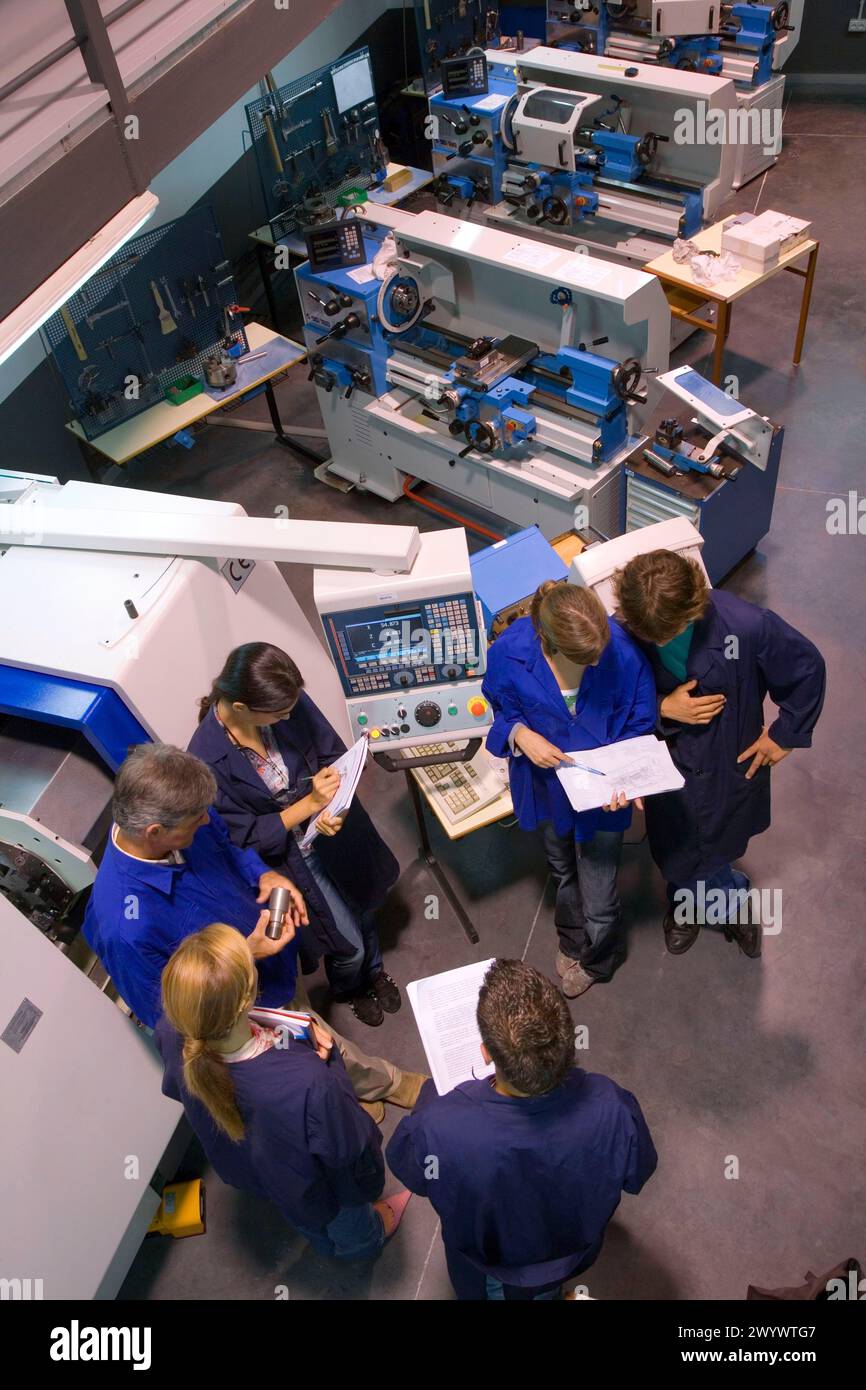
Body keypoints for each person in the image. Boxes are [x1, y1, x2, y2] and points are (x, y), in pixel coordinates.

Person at [83, 743, 426, 1116]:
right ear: (154, 832)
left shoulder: (186, 813)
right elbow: (178, 1018)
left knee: (312, 1040)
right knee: (314, 1043)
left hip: (274, 964)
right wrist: (245, 955)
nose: (206, 820)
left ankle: (345, 1091)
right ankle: (390, 1084)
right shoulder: (125, 928)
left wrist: (263, 875)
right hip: (246, 1005)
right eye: (196, 820)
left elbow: (230, 848)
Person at [386, 959, 657, 1300]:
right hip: (570, 1256)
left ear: (486, 1053)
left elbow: (414, 1172)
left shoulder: (437, 1122)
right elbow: (637, 1173)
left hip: (495, 1270)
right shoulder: (614, 1106)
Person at [613, 549, 826, 956]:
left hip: (730, 760)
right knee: (676, 848)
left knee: (719, 843)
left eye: (668, 632)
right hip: (669, 765)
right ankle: (692, 904)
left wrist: (784, 735)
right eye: (651, 636)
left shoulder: (745, 626)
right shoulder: (627, 631)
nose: (659, 642)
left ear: (693, 606)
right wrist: (661, 707)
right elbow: (611, 696)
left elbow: (807, 668)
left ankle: (726, 900)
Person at [156, 924, 411, 1260]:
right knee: (347, 1224)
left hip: (261, 1173)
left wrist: (298, 1031)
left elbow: (178, 1086)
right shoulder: (309, 1082)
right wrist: (330, 1063)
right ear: (247, 998)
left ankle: (324, 1245)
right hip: (323, 1191)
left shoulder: (172, 1029)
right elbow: (350, 1152)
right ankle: (366, 1242)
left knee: (307, 1220)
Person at [188, 642, 400, 1028]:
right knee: (345, 942)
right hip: (293, 858)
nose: (289, 716)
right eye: (279, 714)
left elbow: (331, 754)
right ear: (241, 708)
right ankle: (350, 988)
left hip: (333, 827)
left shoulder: (287, 701)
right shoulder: (205, 760)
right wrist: (308, 806)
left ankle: (374, 971)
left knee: (366, 906)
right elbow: (245, 838)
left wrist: (334, 805)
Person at [482, 581, 657, 996]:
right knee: (562, 869)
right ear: (550, 643)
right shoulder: (509, 653)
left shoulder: (622, 653)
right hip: (548, 786)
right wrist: (520, 735)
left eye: (601, 653)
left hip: (603, 796)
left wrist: (624, 777)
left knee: (599, 886)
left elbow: (640, 722)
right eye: (585, 658)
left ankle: (599, 958)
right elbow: (499, 708)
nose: (598, 662)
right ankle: (573, 938)